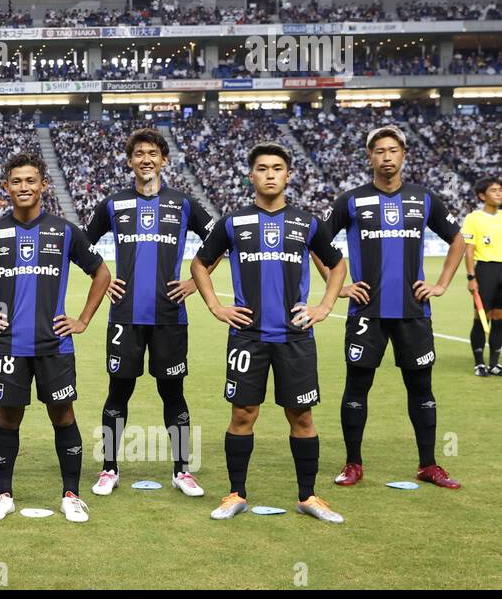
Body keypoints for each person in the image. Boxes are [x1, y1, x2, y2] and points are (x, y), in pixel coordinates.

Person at [0, 152, 111, 524]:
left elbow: (101, 274)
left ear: (43, 185)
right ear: (6, 187)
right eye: (17, 181)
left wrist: (83, 319)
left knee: (63, 415)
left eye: (30, 181)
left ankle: (71, 495)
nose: (24, 187)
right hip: (9, 344)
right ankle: (3, 494)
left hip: (55, 343)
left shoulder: (64, 230)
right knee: (8, 417)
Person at [191, 142, 347, 524]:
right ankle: (235, 494)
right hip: (248, 336)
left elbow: (337, 265)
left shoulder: (308, 223)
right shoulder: (233, 221)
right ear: (252, 176)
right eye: (263, 168)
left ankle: (308, 496)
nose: (271, 174)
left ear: (288, 175)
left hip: (295, 336)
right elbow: (199, 264)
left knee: (302, 416)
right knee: (243, 414)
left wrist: (324, 306)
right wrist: (216, 306)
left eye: (277, 167)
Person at [320, 126, 466, 489]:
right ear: (369, 157)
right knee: (357, 386)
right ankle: (353, 463)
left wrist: (442, 284)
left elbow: (459, 239)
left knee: (421, 388)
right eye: (379, 151)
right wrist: (340, 287)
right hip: (366, 313)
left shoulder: (424, 198)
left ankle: (429, 464)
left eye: (393, 150)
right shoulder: (351, 200)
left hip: (413, 312)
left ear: (404, 154)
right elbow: (317, 242)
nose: (386, 156)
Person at [84, 128, 216, 499]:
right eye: (139, 153)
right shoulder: (113, 204)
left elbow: (221, 240)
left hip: (169, 316)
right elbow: (81, 245)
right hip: (124, 317)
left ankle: (182, 471)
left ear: (164, 160)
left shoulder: (183, 203)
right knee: (118, 393)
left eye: (153, 153)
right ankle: (109, 468)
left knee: (173, 394)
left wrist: (194, 280)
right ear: (130, 161)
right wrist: (103, 279)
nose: (146, 159)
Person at [462, 176, 502, 376]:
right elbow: (469, 250)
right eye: (494, 190)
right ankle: (479, 363)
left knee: (499, 318)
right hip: (485, 271)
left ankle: (494, 364)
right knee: (481, 318)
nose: (499, 193)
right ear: (482, 196)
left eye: (500, 190)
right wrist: (471, 278)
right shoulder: (473, 218)